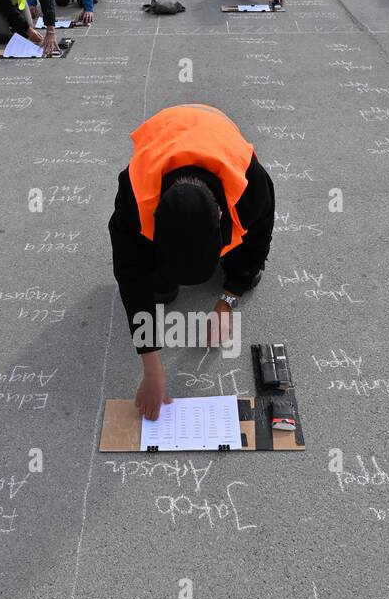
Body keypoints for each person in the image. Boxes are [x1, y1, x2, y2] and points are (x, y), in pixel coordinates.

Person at [108, 104, 275, 420]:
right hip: (167, 133)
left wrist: (227, 301)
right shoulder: (133, 194)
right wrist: (152, 367)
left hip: (213, 129)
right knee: (158, 291)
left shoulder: (251, 185)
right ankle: (168, 277)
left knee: (247, 274)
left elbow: (259, 243)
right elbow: (130, 274)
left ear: (221, 218)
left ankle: (226, 272)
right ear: (155, 225)